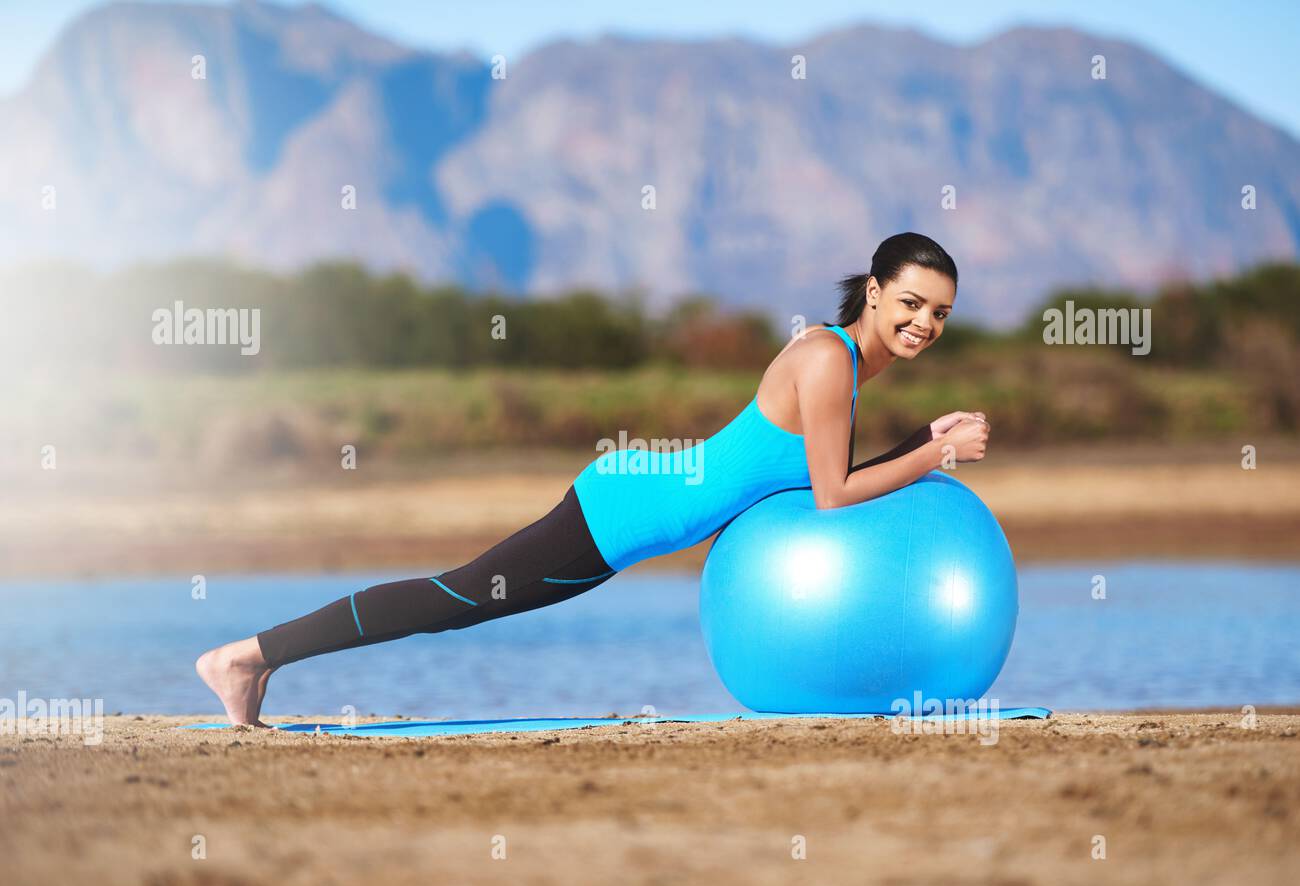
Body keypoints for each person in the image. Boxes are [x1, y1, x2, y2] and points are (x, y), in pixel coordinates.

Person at [197, 232, 990, 726]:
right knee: (458, 598)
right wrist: (933, 454)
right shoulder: (827, 360)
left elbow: (827, 471)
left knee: (459, 599)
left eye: (941, 313)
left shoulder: (849, 364)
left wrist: (925, 436)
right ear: (876, 291)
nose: (924, 322)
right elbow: (832, 496)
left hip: (638, 505)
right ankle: (249, 656)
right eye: (912, 302)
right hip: (625, 509)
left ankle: (256, 659)